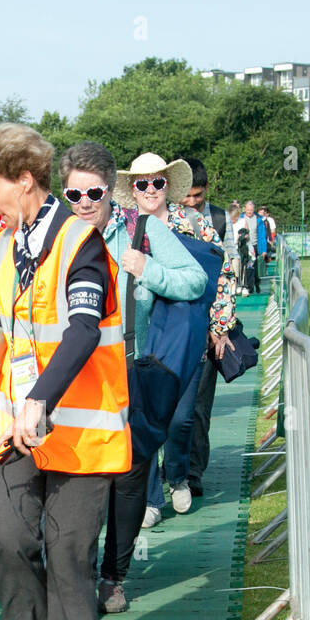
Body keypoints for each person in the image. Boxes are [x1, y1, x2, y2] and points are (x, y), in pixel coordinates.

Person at [0, 123, 129, 620]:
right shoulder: (5, 247)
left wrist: (41, 400)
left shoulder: (82, 242)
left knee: (69, 552)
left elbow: (82, 330)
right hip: (15, 428)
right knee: (10, 541)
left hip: (80, 430)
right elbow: (6, 336)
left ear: (24, 181)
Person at [59, 141, 207, 614]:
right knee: (78, 478)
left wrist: (149, 271)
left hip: (130, 371)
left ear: (109, 193)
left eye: (93, 193)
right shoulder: (57, 237)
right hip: (73, 376)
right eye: (73, 196)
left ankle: (113, 577)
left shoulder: (143, 230)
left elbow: (195, 281)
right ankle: (73, 574)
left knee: (128, 479)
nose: (83, 204)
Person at [112, 153, 235, 529]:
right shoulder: (122, 228)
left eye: (157, 183)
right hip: (142, 338)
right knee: (145, 421)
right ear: (132, 190)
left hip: (188, 336)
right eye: (142, 184)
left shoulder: (195, 223)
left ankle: (178, 473)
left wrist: (219, 324)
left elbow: (222, 273)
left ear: (168, 185)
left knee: (182, 419)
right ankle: (150, 498)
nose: (150, 190)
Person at [181, 157, 228, 243]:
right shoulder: (166, 216)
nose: (192, 202)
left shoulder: (221, 218)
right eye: (186, 196)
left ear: (206, 187)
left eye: (197, 195)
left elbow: (231, 254)